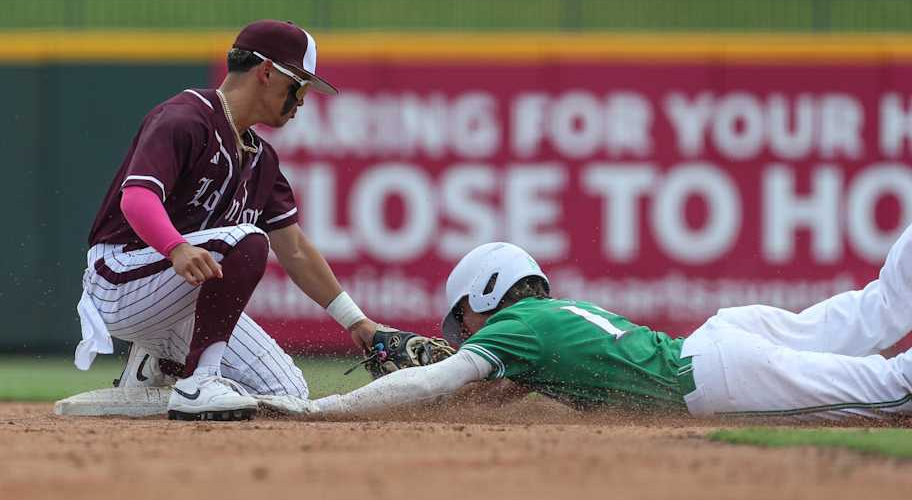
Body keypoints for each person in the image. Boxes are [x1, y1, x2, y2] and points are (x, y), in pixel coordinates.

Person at [286, 226, 912, 421]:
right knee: (881, 306)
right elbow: (488, 397)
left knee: (891, 393)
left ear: (487, 294)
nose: (466, 332)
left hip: (716, 375)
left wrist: (322, 408)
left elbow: (433, 385)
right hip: (716, 344)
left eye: (465, 318)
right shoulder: (547, 321)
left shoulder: (514, 329)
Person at [75, 20, 379, 421]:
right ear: (267, 72)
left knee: (287, 394)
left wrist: (356, 322)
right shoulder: (185, 118)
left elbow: (296, 251)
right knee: (246, 238)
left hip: (180, 295)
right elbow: (137, 197)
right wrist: (176, 246)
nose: (303, 99)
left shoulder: (261, 158)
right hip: (120, 277)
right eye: (300, 85)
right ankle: (198, 380)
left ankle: (159, 366)